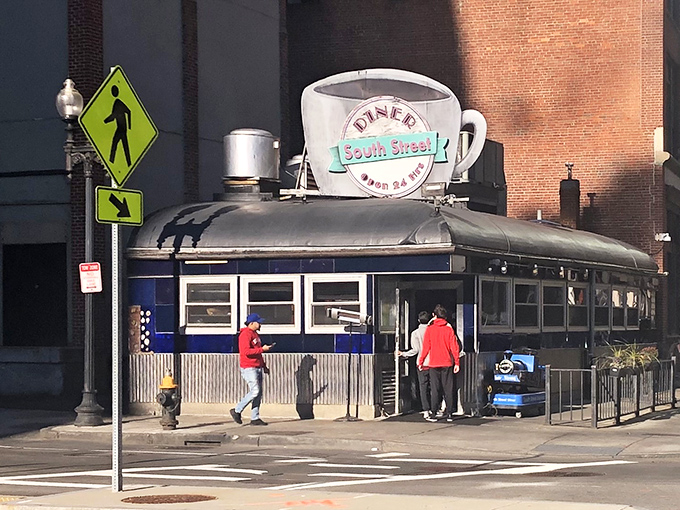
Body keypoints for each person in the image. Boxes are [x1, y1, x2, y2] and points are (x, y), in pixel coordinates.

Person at [418, 304, 460, 422]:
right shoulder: (449, 329)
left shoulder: (430, 329)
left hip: (434, 363)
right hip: (447, 362)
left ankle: (434, 412)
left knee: (435, 389)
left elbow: (426, 347)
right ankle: (450, 413)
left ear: (434, 315)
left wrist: (421, 361)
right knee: (448, 388)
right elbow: (454, 347)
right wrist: (457, 362)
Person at [230, 313, 273, 426]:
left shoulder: (255, 335)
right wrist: (262, 349)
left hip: (257, 366)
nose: (260, 324)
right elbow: (245, 352)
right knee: (255, 391)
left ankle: (255, 417)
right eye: (258, 322)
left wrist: (264, 366)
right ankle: (237, 410)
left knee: (259, 393)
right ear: (252, 323)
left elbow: (257, 352)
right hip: (249, 367)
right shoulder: (245, 334)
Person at [397, 311, 432, 420]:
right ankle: (437, 407)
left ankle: (426, 410)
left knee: (423, 387)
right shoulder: (433, 331)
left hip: (421, 363)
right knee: (435, 387)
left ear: (418, 320)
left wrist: (403, 353)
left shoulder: (415, 333)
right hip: (434, 362)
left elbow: (415, 350)